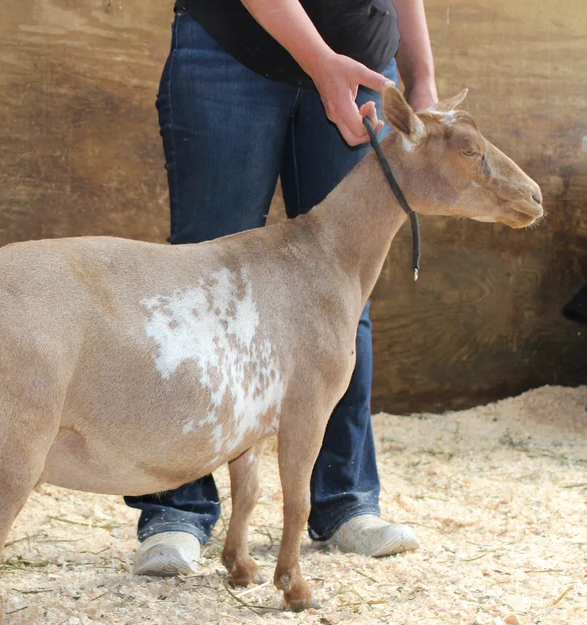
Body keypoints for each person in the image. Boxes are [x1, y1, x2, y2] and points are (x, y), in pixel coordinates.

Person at [125, 0, 440, 575]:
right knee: (203, 288)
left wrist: (420, 77)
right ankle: (178, 508)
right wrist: (321, 62)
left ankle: (344, 499)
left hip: (362, 57)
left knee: (344, 286)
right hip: (232, 49)